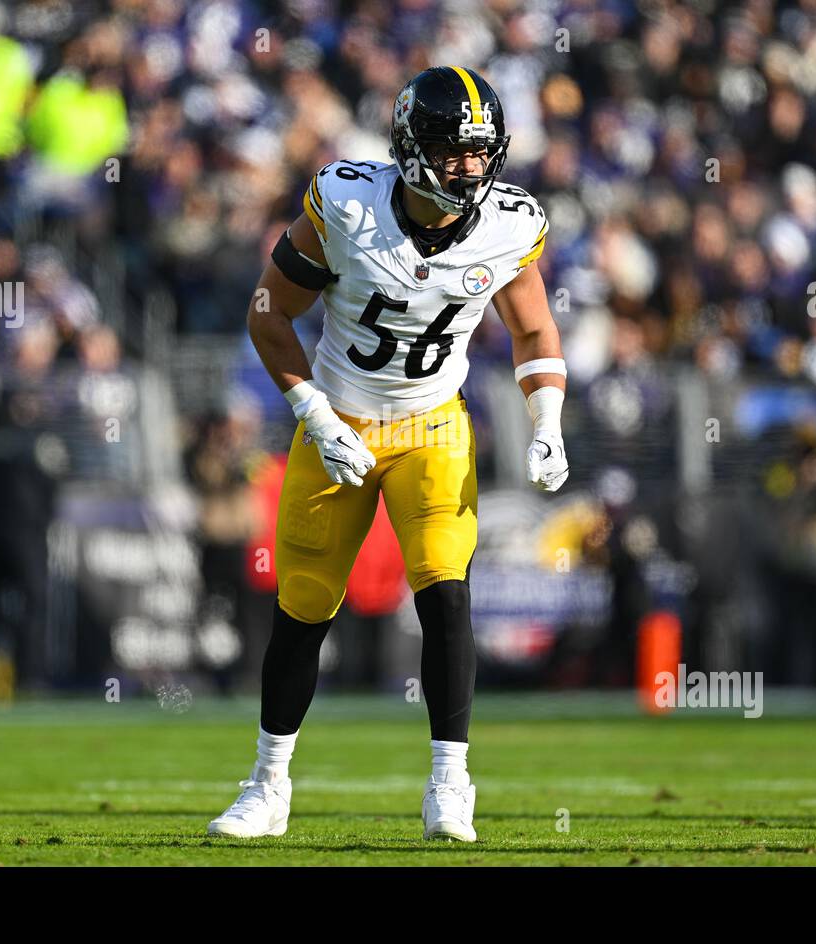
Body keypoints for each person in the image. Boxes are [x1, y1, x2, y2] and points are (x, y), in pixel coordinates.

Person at [207, 66, 569, 843]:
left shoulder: (509, 225)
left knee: (445, 590)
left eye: (480, 152)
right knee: (304, 606)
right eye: (452, 151)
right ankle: (267, 786)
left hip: (433, 426)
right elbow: (269, 313)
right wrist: (312, 412)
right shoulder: (347, 206)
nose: (469, 168)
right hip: (338, 417)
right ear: (408, 148)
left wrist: (547, 420)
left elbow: (535, 328)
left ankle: (451, 785)